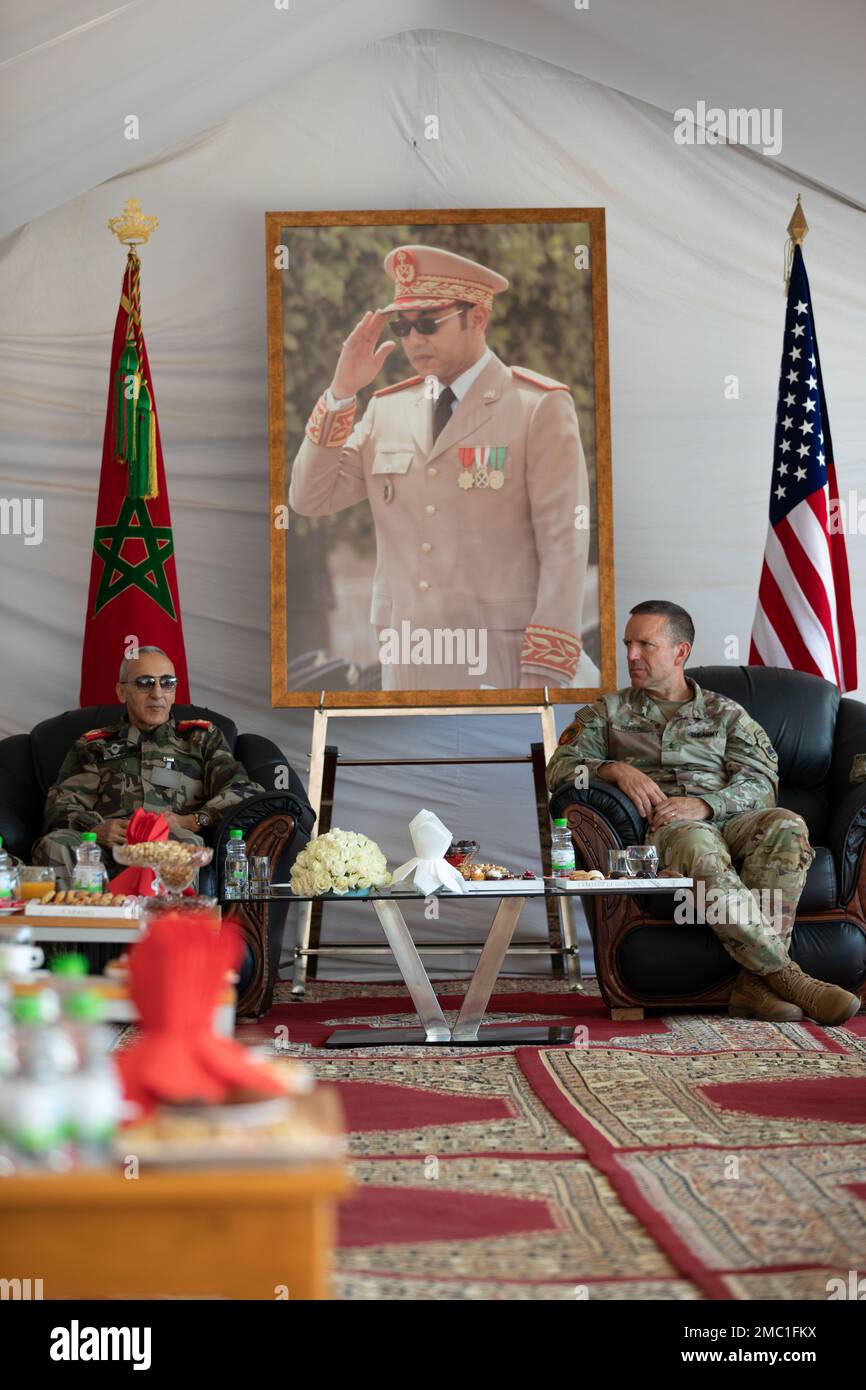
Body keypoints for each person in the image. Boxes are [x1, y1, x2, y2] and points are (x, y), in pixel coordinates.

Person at [289, 243, 594, 691]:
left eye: (428, 323)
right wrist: (341, 392)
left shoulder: (536, 406)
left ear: (477, 318)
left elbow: (564, 543)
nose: (414, 339)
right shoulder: (386, 409)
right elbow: (309, 498)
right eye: (404, 325)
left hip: (506, 659)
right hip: (408, 659)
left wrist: (547, 664)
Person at [546, 599, 861, 1025]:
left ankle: (753, 988)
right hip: (669, 829)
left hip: (729, 819)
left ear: (681, 653)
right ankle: (790, 979)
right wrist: (613, 768)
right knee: (697, 842)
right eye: (628, 644)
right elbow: (559, 769)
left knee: (787, 824)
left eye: (645, 644)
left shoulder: (725, 714)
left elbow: (762, 784)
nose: (631, 655)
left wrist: (708, 804)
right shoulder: (609, 713)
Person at [32, 647, 265, 881]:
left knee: (185, 845)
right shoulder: (94, 745)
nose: (157, 693)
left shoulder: (200, 738)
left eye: (167, 682)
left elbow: (244, 791)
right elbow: (59, 806)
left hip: (169, 843)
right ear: (122, 691)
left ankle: (167, 916)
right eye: (145, 683)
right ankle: (83, 915)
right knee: (55, 845)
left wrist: (192, 821)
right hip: (106, 849)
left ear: (174, 691)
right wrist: (96, 829)